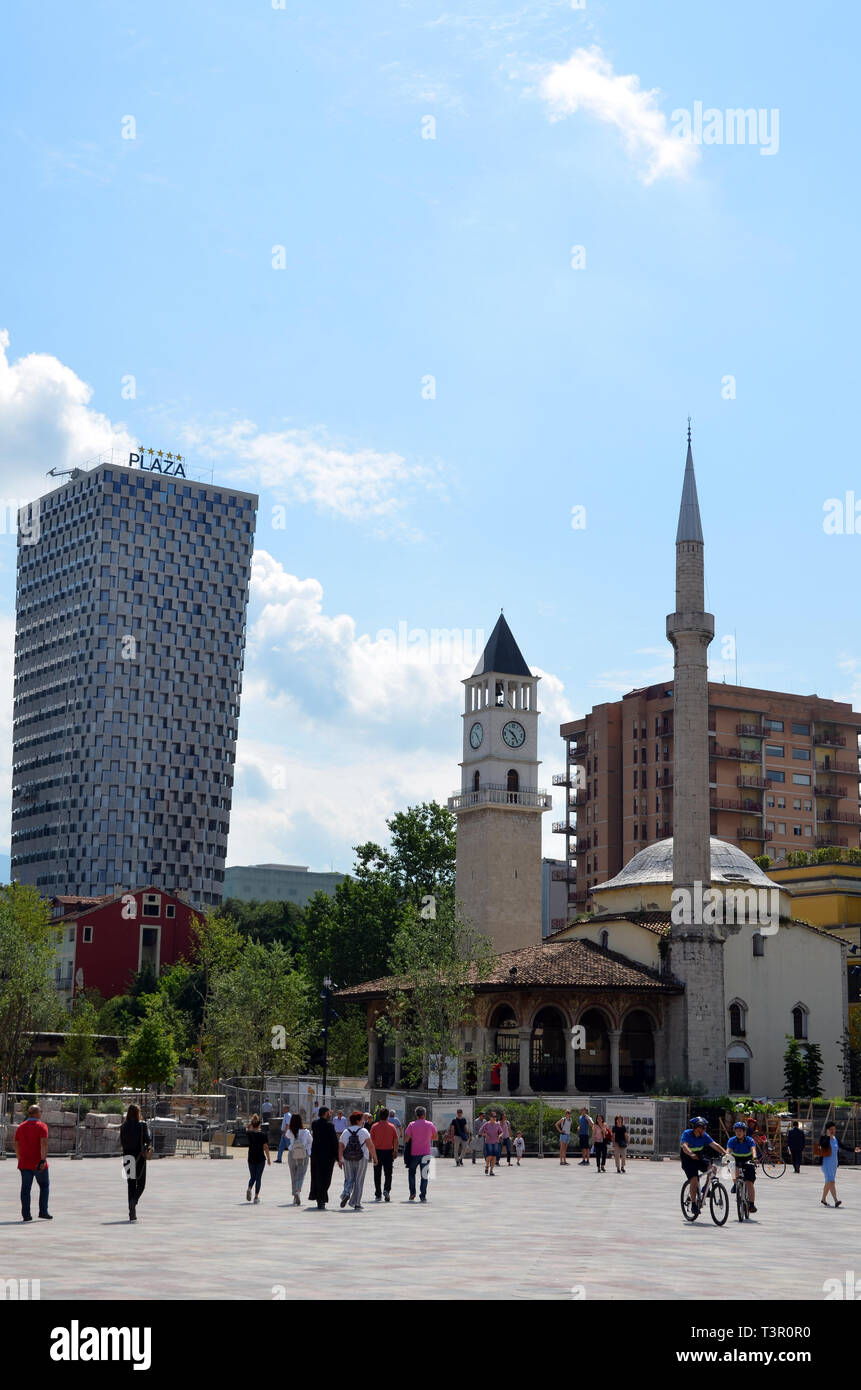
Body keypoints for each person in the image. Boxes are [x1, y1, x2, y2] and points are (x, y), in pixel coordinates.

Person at [15, 1103, 51, 1222]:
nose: (41, 1113)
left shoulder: (21, 1127)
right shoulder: (42, 1126)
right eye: (40, 1111)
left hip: (24, 1162)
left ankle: (26, 1215)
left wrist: (19, 1157)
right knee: (44, 1186)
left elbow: (16, 1144)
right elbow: (44, 1143)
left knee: (25, 1189)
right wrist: (43, 1160)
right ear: (36, 1113)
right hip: (37, 1162)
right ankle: (43, 1211)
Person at [680, 1116, 725, 1207]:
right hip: (687, 1159)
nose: (705, 1130)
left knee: (712, 1169)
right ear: (697, 1128)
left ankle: (705, 1189)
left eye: (705, 1128)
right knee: (694, 1180)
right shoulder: (687, 1134)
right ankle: (693, 1204)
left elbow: (714, 1145)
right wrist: (691, 1153)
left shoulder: (704, 1136)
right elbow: (684, 1146)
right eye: (703, 1128)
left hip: (698, 1157)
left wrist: (725, 1153)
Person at [339, 1110, 377, 1211]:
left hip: (347, 1158)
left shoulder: (345, 1132)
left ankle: (346, 1193)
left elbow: (341, 1146)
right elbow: (370, 1146)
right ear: (358, 1121)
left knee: (349, 1178)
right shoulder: (364, 1131)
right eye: (361, 1119)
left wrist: (340, 1159)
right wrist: (375, 1158)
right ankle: (356, 1203)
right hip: (361, 1158)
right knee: (359, 1180)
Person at [120, 1103, 150, 1222]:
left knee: (131, 1184)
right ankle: (134, 1201)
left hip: (127, 1157)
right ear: (138, 1113)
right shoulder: (142, 1125)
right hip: (140, 1157)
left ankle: (131, 1213)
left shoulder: (124, 1126)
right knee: (141, 1184)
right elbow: (148, 1140)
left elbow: (122, 1141)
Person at [819, 1121, 860, 1207]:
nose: (832, 1131)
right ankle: (836, 1200)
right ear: (827, 1130)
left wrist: (853, 1149)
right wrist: (827, 1136)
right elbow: (824, 1146)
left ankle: (823, 1199)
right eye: (831, 1129)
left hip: (834, 1163)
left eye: (834, 1129)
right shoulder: (823, 1138)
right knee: (831, 1181)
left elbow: (843, 1146)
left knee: (829, 1182)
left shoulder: (835, 1139)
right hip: (826, 1163)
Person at [309, 1106, 339, 1210]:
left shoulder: (314, 1124)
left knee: (317, 1178)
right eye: (329, 1113)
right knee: (326, 1179)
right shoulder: (330, 1126)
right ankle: (321, 1199)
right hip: (327, 1157)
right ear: (325, 1113)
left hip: (316, 1156)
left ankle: (319, 1199)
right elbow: (334, 1142)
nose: (330, 1114)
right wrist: (338, 1157)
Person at [405, 1105, 437, 1202]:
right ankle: (422, 1195)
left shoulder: (411, 1124)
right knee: (424, 1175)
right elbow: (435, 1137)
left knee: (411, 1173)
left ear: (416, 1115)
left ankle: (412, 1193)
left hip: (414, 1153)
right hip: (426, 1153)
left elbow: (406, 1139)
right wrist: (427, 1137)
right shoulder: (430, 1124)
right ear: (424, 1114)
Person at [726, 1120, 758, 1214]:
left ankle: (751, 1204)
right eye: (737, 1131)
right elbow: (728, 1150)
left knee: (749, 1182)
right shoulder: (732, 1140)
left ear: (744, 1132)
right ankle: (736, 1184)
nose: (738, 1133)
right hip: (736, 1159)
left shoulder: (749, 1140)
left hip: (748, 1159)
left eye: (740, 1131)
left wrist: (754, 1158)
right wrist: (726, 1156)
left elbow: (753, 1149)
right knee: (733, 1167)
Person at [370, 1106, 399, 1201]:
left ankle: (378, 1193)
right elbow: (395, 1139)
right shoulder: (391, 1127)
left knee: (377, 1173)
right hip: (388, 1152)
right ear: (387, 1116)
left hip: (377, 1152)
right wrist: (395, 1151)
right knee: (388, 1173)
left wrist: (372, 1153)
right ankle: (386, 1189)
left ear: (379, 1116)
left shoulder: (374, 1126)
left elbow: (371, 1140)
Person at [287, 1113, 312, 1205]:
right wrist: (308, 1152)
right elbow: (310, 1141)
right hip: (302, 1154)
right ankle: (298, 1191)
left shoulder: (290, 1132)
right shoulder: (306, 1132)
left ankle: (294, 1196)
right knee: (301, 1174)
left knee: (293, 1174)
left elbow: (287, 1135)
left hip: (292, 1153)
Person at [245, 1113, 270, 1204]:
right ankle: (256, 1197)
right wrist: (269, 1158)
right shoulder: (263, 1135)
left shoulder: (249, 1134)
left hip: (251, 1157)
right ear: (259, 1125)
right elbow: (266, 1147)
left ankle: (249, 1188)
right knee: (258, 1177)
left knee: (253, 1176)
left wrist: (251, 1124)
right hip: (260, 1158)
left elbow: (247, 1128)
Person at [479, 1110, 503, 1176]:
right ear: (490, 1117)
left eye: (495, 1117)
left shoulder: (497, 1124)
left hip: (496, 1142)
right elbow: (480, 1132)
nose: (494, 1118)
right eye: (493, 1116)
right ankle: (487, 1166)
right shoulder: (486, 1124)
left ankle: (491, 1171)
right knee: (489, 1155)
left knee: (494, 1156)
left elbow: (501, 1132)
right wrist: (485, 1135)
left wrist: (500, 1135)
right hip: (488, 1142)